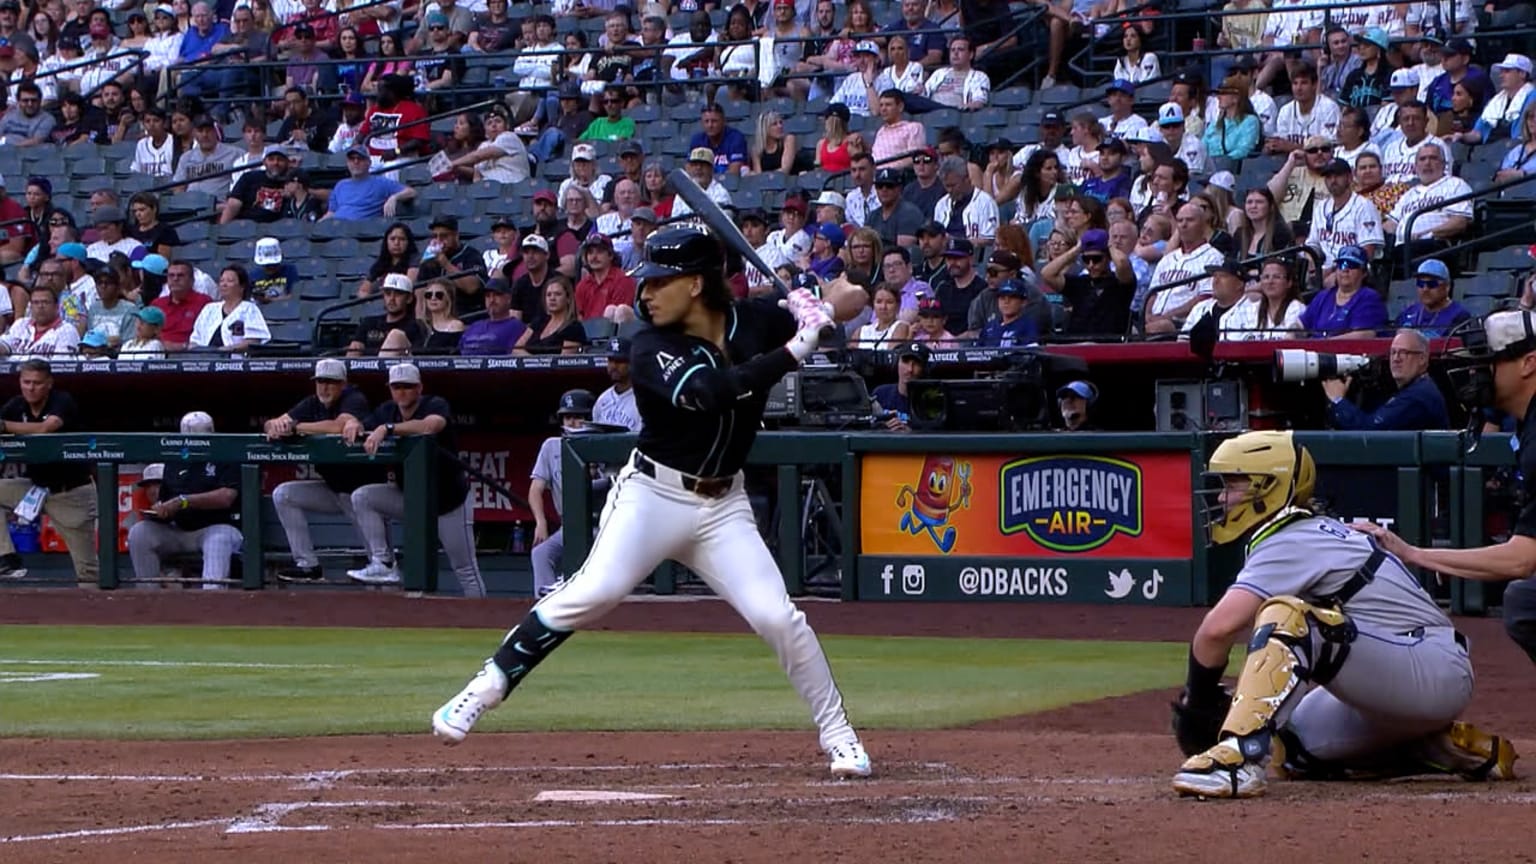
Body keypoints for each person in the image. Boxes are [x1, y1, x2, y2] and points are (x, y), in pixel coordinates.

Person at [429, 225, 874, 779]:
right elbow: (711, 393)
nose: (644, 293)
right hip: (653, 495)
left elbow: (857, 295)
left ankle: (840, 736)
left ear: (694, 284)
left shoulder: (756, 320)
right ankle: (483, 689)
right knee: (593, 593)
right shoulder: (650, 346)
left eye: (659, 282)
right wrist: (797, 345)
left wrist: (820, 302)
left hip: (723, 505)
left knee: (777, 617)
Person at [1170, 431, 1514, 800]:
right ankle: (1426, 748)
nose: (1221, 497)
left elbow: (1216, 631)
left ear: (1268, 488)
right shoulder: (1306, 531)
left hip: (1430, 667)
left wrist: (1200, 698)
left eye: (1232, 485)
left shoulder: (1290, 539)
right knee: (1290, 744)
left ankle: (1237, 760)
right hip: (1404, 676)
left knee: (1287, 617)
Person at [342, 363, 483, 597]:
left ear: (419, 388)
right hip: (411, 499)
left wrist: (388, 428)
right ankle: (384, 563)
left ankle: (485, 622)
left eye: (407, 386)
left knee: (465, 569)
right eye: (396, 387)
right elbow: (362, 424)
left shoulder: (434, 403)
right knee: (363, 496)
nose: (402, 392)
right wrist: (354, 423)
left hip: (448, 502)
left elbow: (431, 426)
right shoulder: (387, 410)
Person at [264, 358, 375, 583]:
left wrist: (295, 427)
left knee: (380, 563)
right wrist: (275, 425)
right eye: (320, 382)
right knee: (284, 494)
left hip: (362, 495)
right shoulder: (311, 403)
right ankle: (307, 566)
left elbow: (338, 426)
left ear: (343, 383)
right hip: (333, 490)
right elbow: (274, 422)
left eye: (330, 382)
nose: (324, 387)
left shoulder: (354, 398)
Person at [0, 360, 97, 584]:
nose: (31, 388)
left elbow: (46, 429)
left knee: (89, 572)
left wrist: (4, 426)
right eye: (26, 382)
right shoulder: (16, 406)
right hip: (35, 488)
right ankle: (6, 558)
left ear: (49, 383)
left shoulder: (62, 400)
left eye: (37, 383)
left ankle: (101, 613)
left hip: (71, 493)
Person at [127, 411, 243, 590]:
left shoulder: (226, 455)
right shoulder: (176, 460)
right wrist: (161, 510)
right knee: (139, 533)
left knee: (218, 541)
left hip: (218, 528)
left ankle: (211, 601)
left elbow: (226, 497)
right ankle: (148, 596)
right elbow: (167, 500)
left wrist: (183, 501)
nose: (194, 442)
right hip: (179, 530)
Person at [529, 388, 595, 598]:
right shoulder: (551, 446)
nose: (573, 423)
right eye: (568, 417)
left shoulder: (601, 444)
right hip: (570, 527)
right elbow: (535, 489)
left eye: (579, 417)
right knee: (541, 553)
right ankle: (547, 608)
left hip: (602, 526)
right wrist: (541, 522)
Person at [1323, 328, 1449, 430]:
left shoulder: (1419, 395)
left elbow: (1369, 431)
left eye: (1404, 352)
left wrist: (1338, 400)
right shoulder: (1413, 388)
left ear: (1422, 359)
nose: (1396, 359)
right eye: (1393, 352)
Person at [348, 273, 425, 356]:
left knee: (396, 336)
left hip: (396, 367)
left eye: (398, 294)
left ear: (409, 298)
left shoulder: (414, 327)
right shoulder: (368, 323)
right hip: (365, 367)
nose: (391, 299)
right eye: (388, 293)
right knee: (355, 346)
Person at [0, 287, 79, 360]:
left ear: (56, 306)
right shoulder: (20, 324)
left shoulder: (67, 331)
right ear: (30, 306)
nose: (40, 306)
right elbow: (3, 345)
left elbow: (61, 366)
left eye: (45, 302)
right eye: (35, 302)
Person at [1396, 259, 1471, 334]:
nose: (1425, 289)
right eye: (1420, 283)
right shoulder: (1407, 313)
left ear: (1447, 287)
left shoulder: (1459, 316)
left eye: (1432, 284)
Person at [458, 279, 528, 356]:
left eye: (497, 295)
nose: (491, 300)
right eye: (488, 296)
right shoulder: (474, 326)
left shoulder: (515, 327)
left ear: (509, 299)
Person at [871, 341, 927, 431]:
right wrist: (883, 427)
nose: (910, 369)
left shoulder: (929, 402)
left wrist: (910, 432)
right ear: (897, 363)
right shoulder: (880, 394)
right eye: (905, 361)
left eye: (916, 364)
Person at [592, 338, 640, 432]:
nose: (613, 366)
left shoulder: (642, 400)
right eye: (610, 360)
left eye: (619, 361)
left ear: (632, 363)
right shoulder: (602, 400)